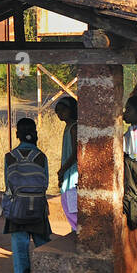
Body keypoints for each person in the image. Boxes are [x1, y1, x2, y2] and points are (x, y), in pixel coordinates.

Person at [3, 118, 51, 273]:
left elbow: (7, 184)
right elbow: (45, 183)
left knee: (19, 248)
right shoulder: (41, 157)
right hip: (38, 209)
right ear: (35, 133)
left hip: (17, 210)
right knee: (43, 245)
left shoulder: (9, 157)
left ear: (17, 135)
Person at [54, 96, 79, 232]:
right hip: (68, 170)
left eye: (63, 110)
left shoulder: (74, 127)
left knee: (71, 201)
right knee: (69, 201)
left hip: (72, 170)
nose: (60, 114)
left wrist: (63, 170)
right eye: (58, 111)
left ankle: (76, 229)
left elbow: (75, 153)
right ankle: (74, 229)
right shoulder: (68, 127)